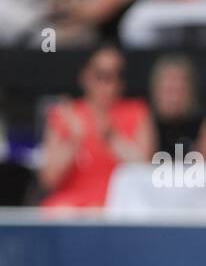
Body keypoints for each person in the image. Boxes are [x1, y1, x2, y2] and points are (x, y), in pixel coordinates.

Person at [38, 45, 156, 208]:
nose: (108, 84)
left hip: (119, 206)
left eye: (116, 75)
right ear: (85, 76)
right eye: (101, 75)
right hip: (72, 207)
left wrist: (113, 138)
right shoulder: (65, 114)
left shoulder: (137, 111)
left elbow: (145, 171)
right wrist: (73, 140)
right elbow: (48, 179)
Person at [149, 54, 206, 155]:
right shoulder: (145, 125)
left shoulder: (204, 127)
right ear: (156, 91)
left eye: (180, 91)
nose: (174, 99)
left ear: (191, 92)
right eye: (169, 91)